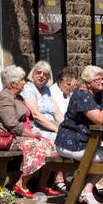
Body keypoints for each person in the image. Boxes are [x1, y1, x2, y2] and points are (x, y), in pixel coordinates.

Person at [54, 65, 103, 204]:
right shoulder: (82, 95)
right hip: (71, 143)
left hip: (84, 141)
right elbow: (99, 119)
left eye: (102, 78)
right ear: (88, 83)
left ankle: (83, 188)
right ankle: (86, 189)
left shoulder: (96, 93)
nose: (101, 82)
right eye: (97, 80)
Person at [0, 66, 56, 197]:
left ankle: (40, 185)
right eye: (22, 80)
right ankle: (22, 184)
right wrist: (32, 135)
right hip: (8, 137)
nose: (25, 82)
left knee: (52, 146)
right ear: (13, 83)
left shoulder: (18, 97)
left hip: (19, 136)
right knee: (38, 146)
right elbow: (12, 125)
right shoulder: (4, 98)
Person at [22, 61, 68, 195]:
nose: (41, 76)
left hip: (50, 127)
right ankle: (58, 179)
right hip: (37, 128)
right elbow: (35, 114)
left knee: (66, 139)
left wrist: (65, 126)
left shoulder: (47, 90)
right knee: (55, 143)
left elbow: (57, 112)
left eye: (45, 74)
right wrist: (55, 129)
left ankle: (43, 185)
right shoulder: (28, 88)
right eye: (38, 73)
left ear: (49, 78)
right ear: (33, 74)